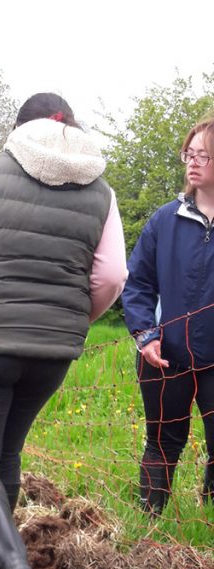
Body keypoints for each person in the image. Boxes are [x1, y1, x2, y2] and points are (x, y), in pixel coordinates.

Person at [0, 93, 127, 569]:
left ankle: (8, 563)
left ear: (18, 129)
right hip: (55, 350)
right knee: (6, 450)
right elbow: (112, 277)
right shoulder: (101, 193)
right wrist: (75, 319)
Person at [122, 117, 214, 515]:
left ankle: (207, 522)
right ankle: (149, 523)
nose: (192, 163)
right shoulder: (165, 219)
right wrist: (146, 334)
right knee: (162, 441)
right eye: (188, 154)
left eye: (204, 155)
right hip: (165, 355)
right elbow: (137, 282)